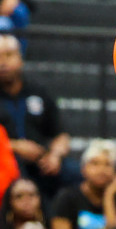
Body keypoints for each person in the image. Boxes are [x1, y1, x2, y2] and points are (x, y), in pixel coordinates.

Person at [0, 34, 72, 197]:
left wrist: (55, 155)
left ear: (20, 58)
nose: (3, 62)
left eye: (9, 55)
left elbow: (60, 134)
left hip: (42, 162)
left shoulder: (38, 92)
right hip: (5, 162)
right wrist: (15, 146)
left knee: (75, 175)